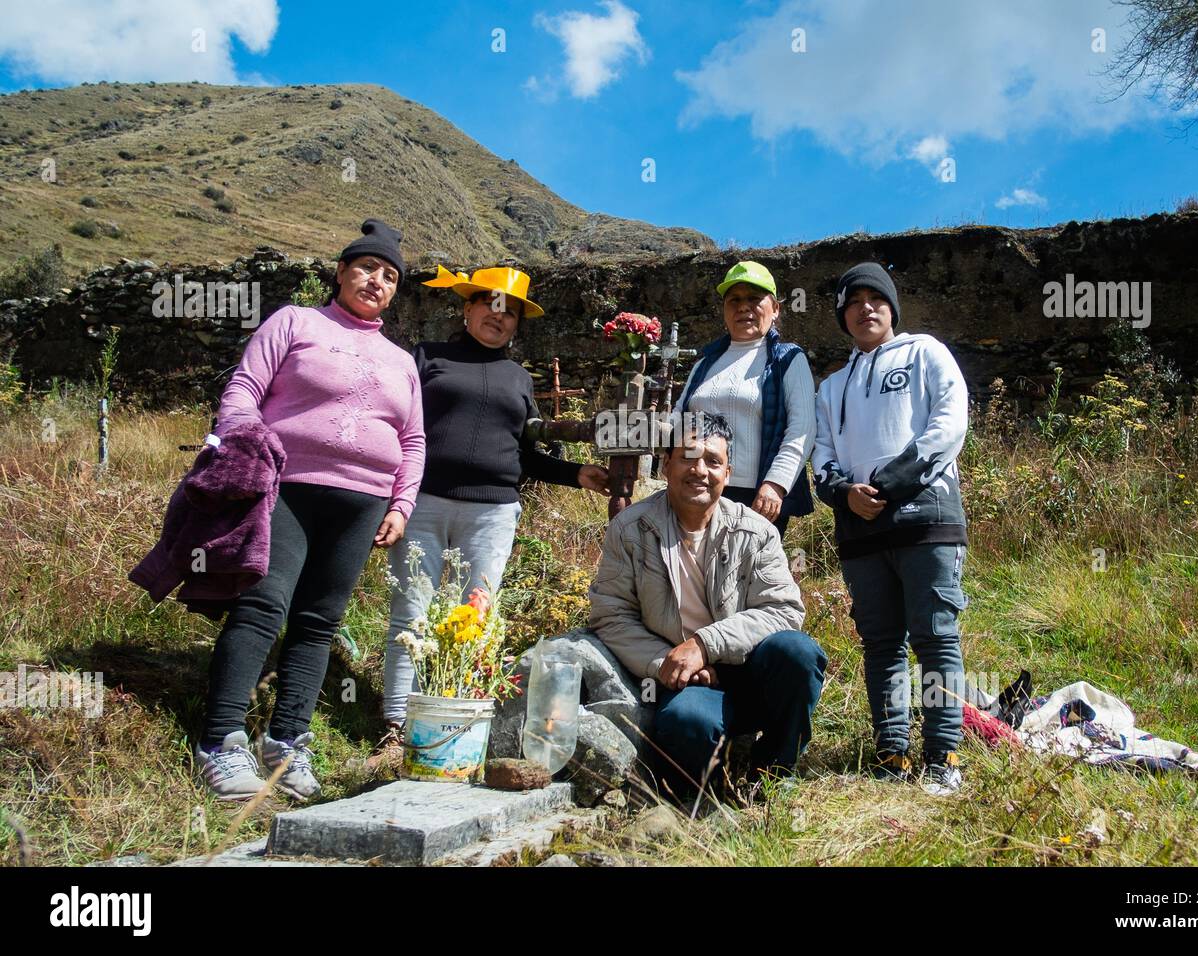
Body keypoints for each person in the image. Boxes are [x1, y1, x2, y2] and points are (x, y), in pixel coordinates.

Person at [194, 219, 425, 801]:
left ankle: (287, 742)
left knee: (320, 623)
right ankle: (220, 741)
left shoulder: (401, 360)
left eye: (390, 275)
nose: (377, 280)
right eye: (367, 267)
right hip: (286, 485)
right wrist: (242, 442)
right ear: (342, 272)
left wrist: (402, 502)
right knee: (262, 606)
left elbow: (415, 440)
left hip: (364, 503)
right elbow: (245, 386)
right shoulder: (296, 321)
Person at [371, 266, 610, 766]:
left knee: (474, 616)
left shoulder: (518, 378)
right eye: (489, 304)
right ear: (468, 308)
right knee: (412, 612)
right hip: (424, 501)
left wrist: (575, 475)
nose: (497, 317)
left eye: (509, 311)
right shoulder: (427, 358)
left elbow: (519, 453)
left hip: (493, 511)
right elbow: (396, 425)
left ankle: (451, 725)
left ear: (517, 324)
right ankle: (396, 727)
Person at [589, 411, 826, 794]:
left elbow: (784, 611)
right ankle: (710, 792)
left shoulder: (756, 531)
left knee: (798, 653)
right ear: (666, 466)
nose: (700, 471)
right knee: (686, 723)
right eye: (688, 458)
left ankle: (775, 772)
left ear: (728, 473)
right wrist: (670, 663)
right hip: (684, 682)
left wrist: (703, 646)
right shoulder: (631, 528)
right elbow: (611, 615)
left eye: (713, 461)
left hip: (749, 671)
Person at [811, 262, 971, 796]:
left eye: (875, 299)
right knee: (880, 643)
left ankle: (943, 754)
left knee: (934, 637)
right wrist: (844, 493)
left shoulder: (925, 352)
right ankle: (891, 751)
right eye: (853, 302)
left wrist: (890, 481)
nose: (865, 309)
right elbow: (823, 456)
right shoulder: (832, 387)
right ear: (842, 315)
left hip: (927, 517)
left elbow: (949, 423)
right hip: (860, 532)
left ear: (892, 308)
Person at [674, 261, 815, 538]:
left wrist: (776, 483)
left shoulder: (787, 359)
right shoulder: (705, 362)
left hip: (756, 496)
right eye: (734, 300)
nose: (743, 307)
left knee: (746, 576)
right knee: (693, 574)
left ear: (775, 309)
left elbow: (803, 428)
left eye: (754, 298)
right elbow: (678, 418)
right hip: (697, 486)